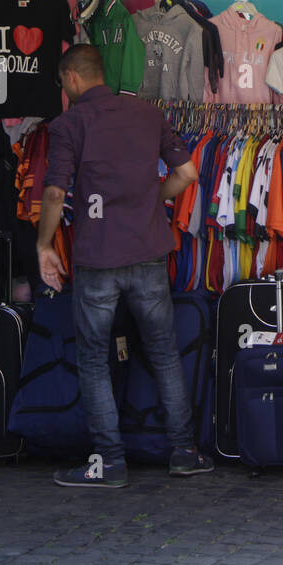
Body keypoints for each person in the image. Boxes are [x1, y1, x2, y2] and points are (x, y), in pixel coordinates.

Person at [37, 45, 211, 488]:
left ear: (71, 79)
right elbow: (188, 173)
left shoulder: (68, 124)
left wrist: (44, 246)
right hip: (149, 251)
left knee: (94, 359)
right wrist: (152, 199)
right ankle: (185, 452)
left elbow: (55, 194)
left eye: (62, 83)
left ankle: (109, 463)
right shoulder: (148, 114)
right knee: (165, 353)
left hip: (97, 257)